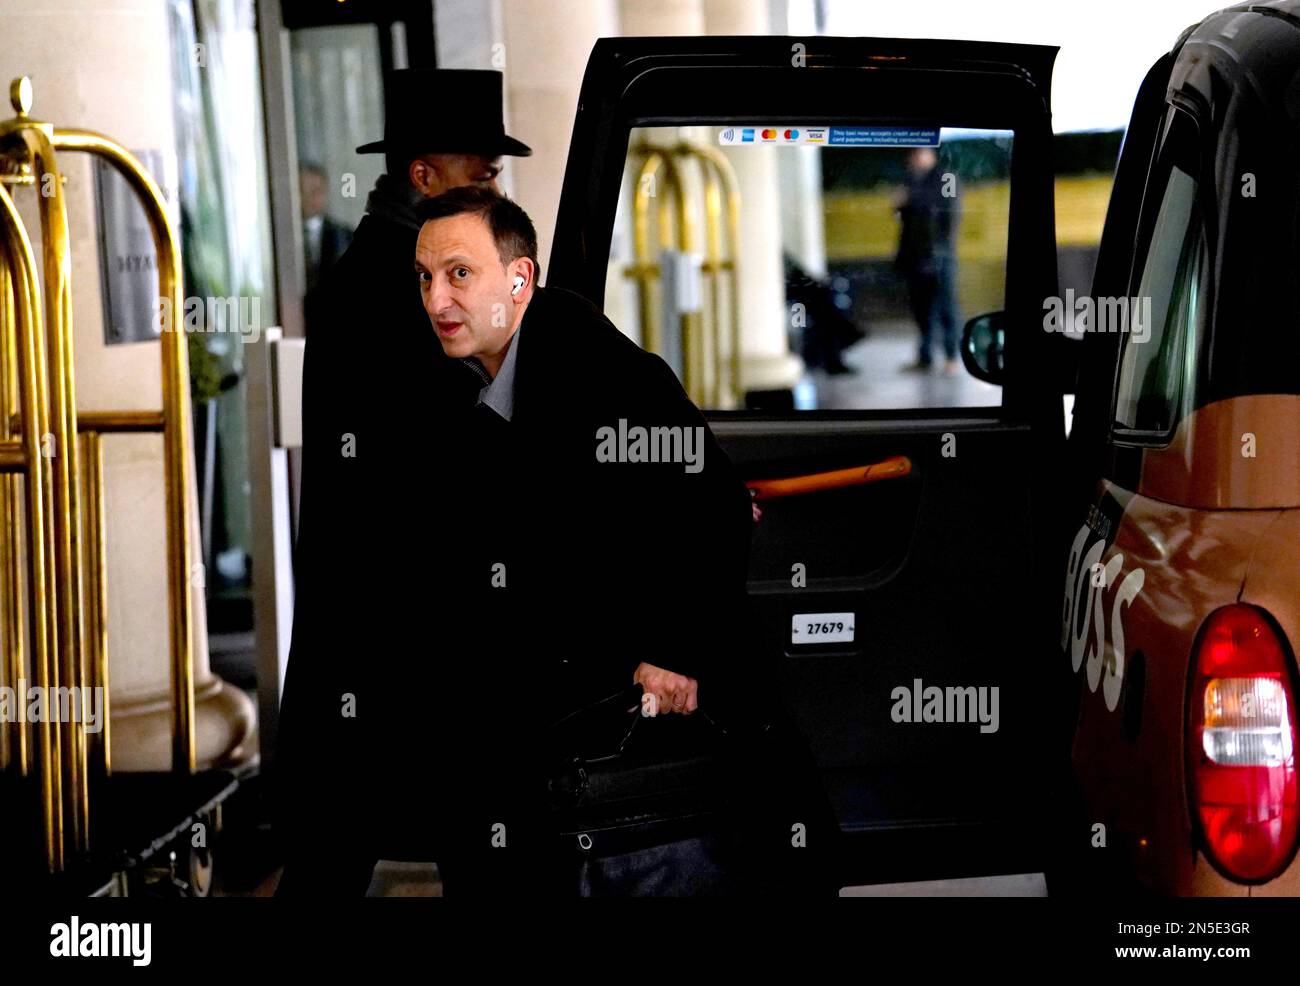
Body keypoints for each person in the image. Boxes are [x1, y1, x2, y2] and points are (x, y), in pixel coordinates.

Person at [408, 187, 841, 896]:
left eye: (460, 273)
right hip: (551, 703)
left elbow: (712, 506)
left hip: (644, 691)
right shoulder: (468, 381)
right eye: (425, 277)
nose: (436, 299)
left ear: (520, 281)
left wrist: (672, 652)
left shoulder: (601, 373)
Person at [274, 70, 532, 897]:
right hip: (393, 610)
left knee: (370, 824)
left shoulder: (402, 270)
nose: (494, 185)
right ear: (423, 175)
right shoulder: (390, 285)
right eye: (482, 172)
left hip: (397, 611)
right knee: (363, 831)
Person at [894, 146, 961, 375]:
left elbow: (949, 212)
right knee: (920, 308)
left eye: (920, 153)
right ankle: (925, 356)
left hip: (939, 255)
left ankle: (951, 355)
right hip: (915, 256)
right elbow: (902, 216)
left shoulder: (947, 178)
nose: (916, 159)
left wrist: (911, 200)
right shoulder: (911, 180)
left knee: (945, 306)